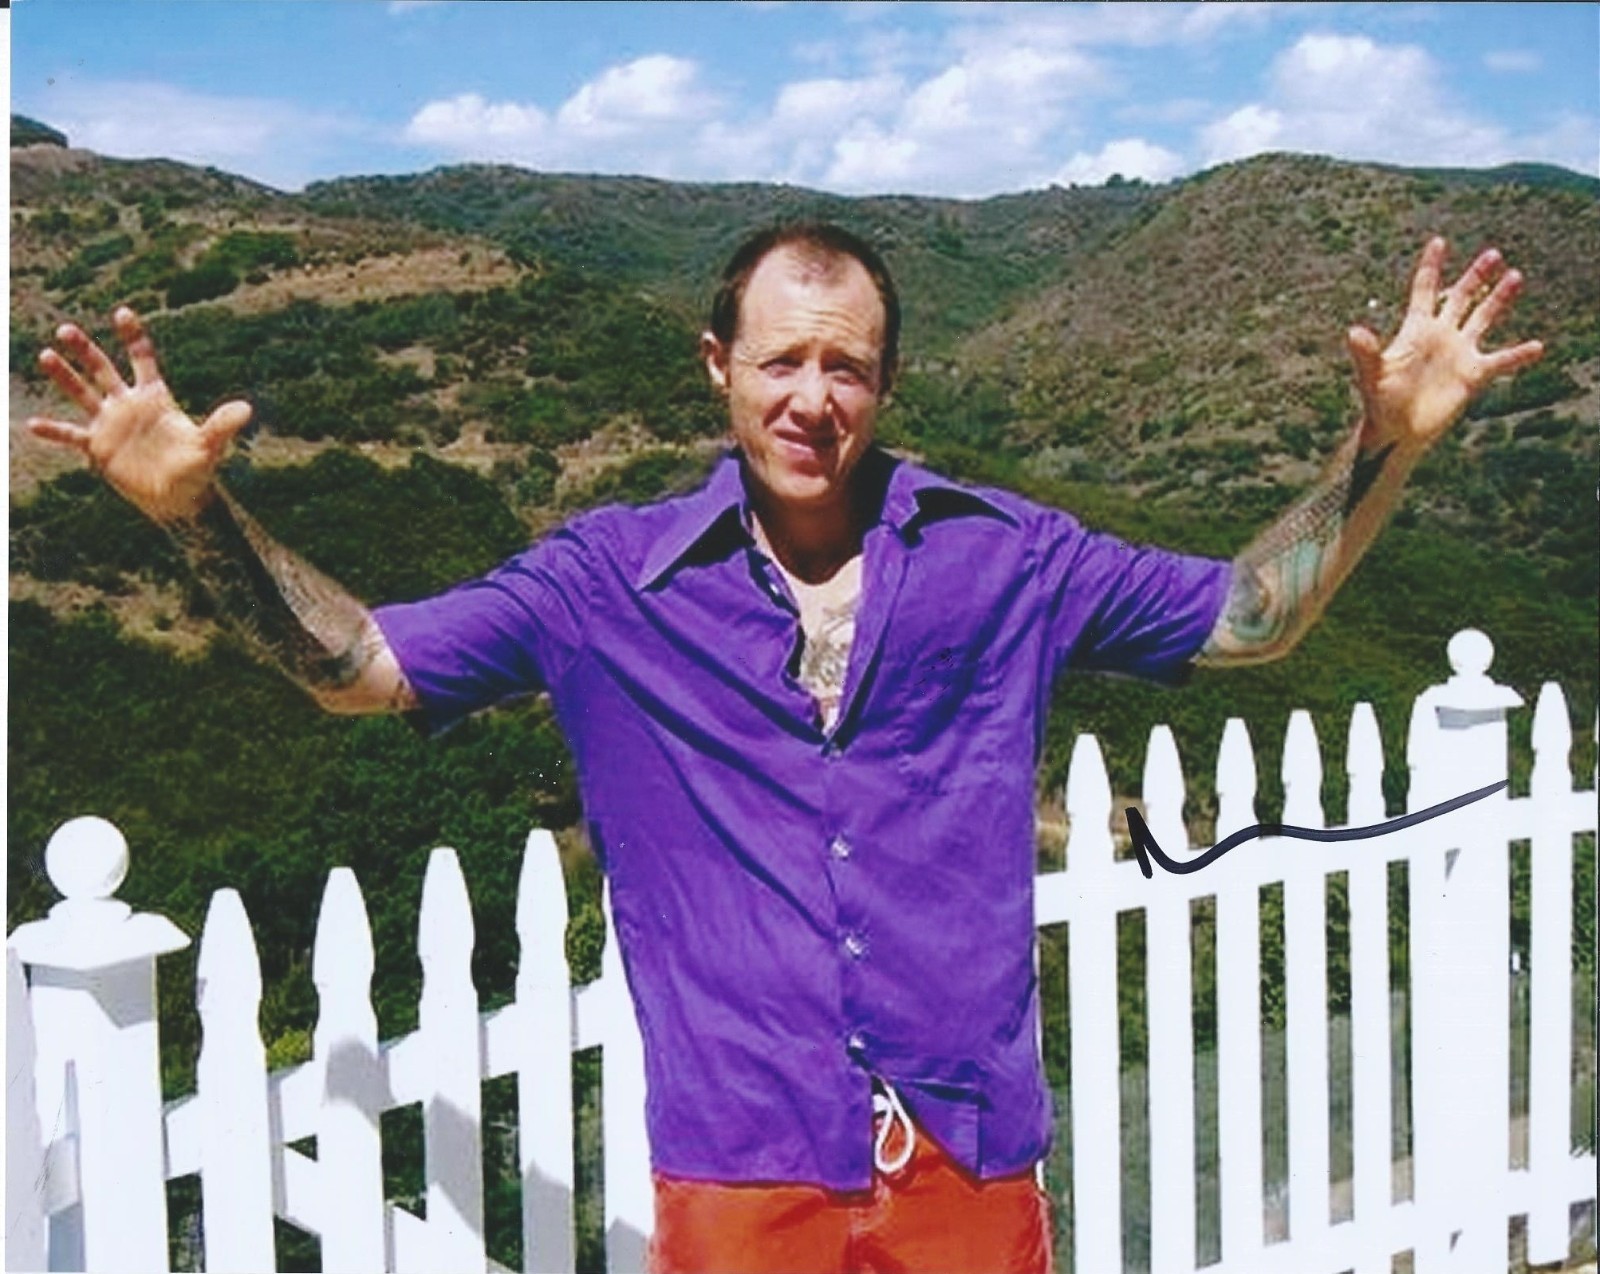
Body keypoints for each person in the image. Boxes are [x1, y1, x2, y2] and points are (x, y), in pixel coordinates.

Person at [29, 222, 1542, 1273]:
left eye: (849, 366)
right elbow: (357, 667)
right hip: (738, 1167)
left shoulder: (1004, 555)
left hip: (967, 1152)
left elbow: (1248, 620)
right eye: (781, 363)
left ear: (885, 381)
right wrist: (193, 515)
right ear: (718, 365)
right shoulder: (604, 585)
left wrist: (1388, 443)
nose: (814, 399)